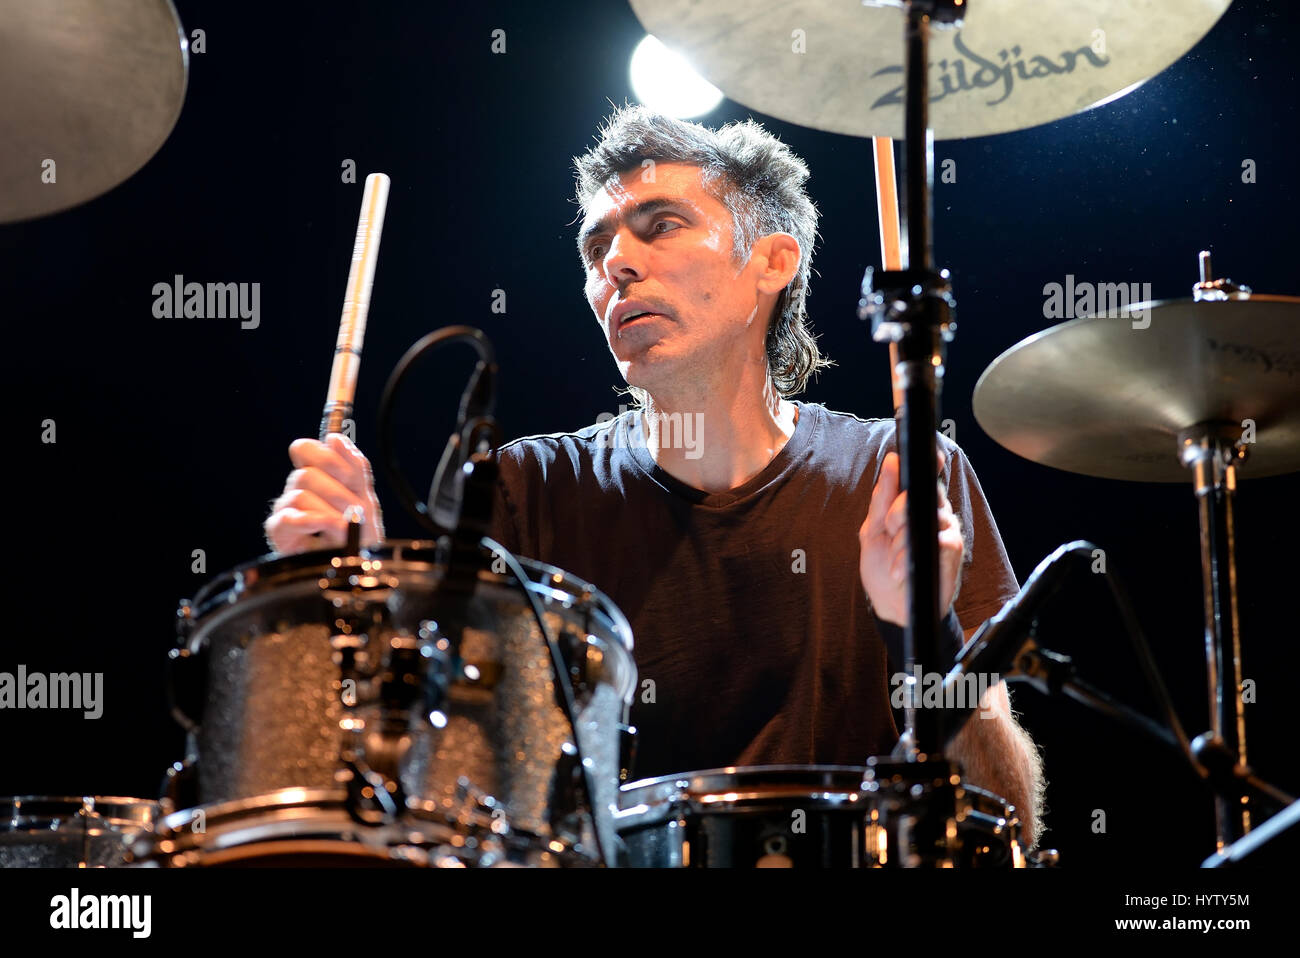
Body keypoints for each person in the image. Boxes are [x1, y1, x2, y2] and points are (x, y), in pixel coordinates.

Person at [264, 105, 1046, 847]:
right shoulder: (526, 489)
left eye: (661, 226)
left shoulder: (900, 473)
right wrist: (337, 599)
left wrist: (927, 636)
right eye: (596, 247)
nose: (618, 264)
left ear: (772, 260)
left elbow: (1008, 822)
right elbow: (431, 798)